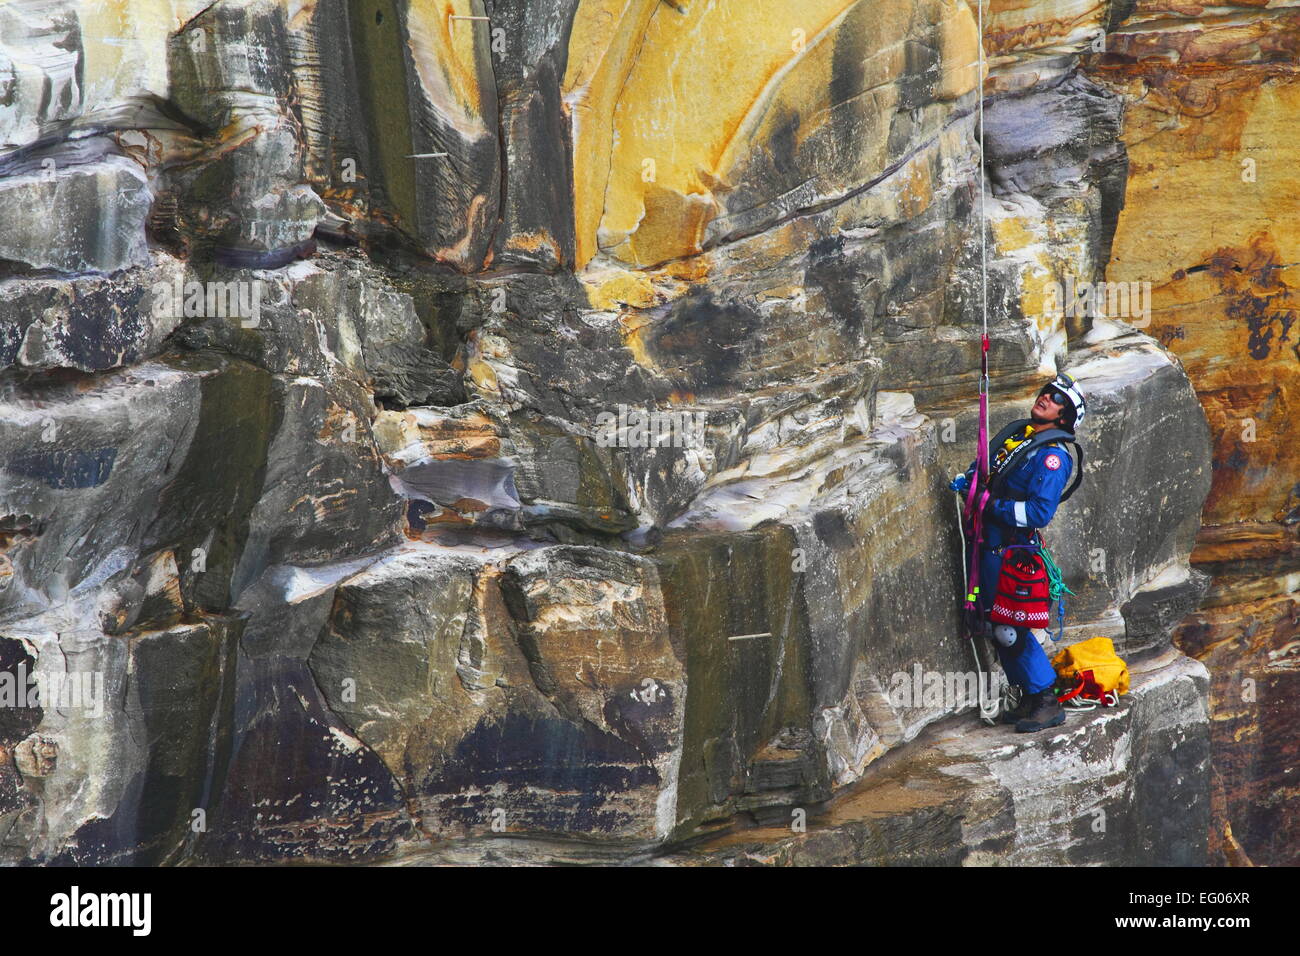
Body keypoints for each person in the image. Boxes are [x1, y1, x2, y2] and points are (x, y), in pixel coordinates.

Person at [950, 372, 1086, 732]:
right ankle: (1028, 697)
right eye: (1046, 392)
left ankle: (1045, 699)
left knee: (1012, 628)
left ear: (1064, 417)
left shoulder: (1053, 459)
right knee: (997, 627)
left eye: (1056, 399)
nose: (1046, 398)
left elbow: (1039, 513)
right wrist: (970, 482)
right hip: (988, 545)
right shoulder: (1020, 438)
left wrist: (989, 504)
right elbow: (991, 470)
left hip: (1011, 551)